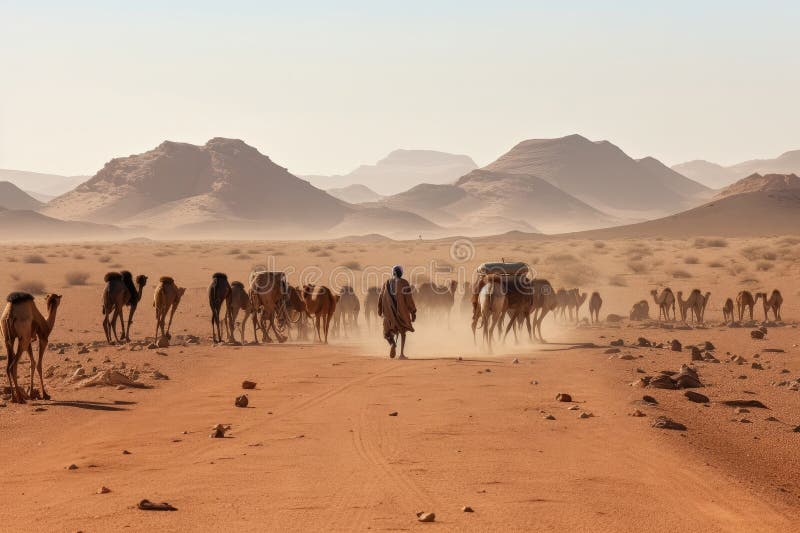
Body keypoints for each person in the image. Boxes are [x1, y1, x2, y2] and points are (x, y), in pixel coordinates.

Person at [377, 265, 416, 359]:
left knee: (387, 333)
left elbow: (381, 297)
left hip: (388, 315)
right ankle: (402, 354)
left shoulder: (386, 283)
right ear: (401, 273)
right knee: (403, 332)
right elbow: (409, 299)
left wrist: (380, 310)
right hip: (401, 314)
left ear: (393, 273)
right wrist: (413, 311)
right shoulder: (404, 283)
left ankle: (392, 344)